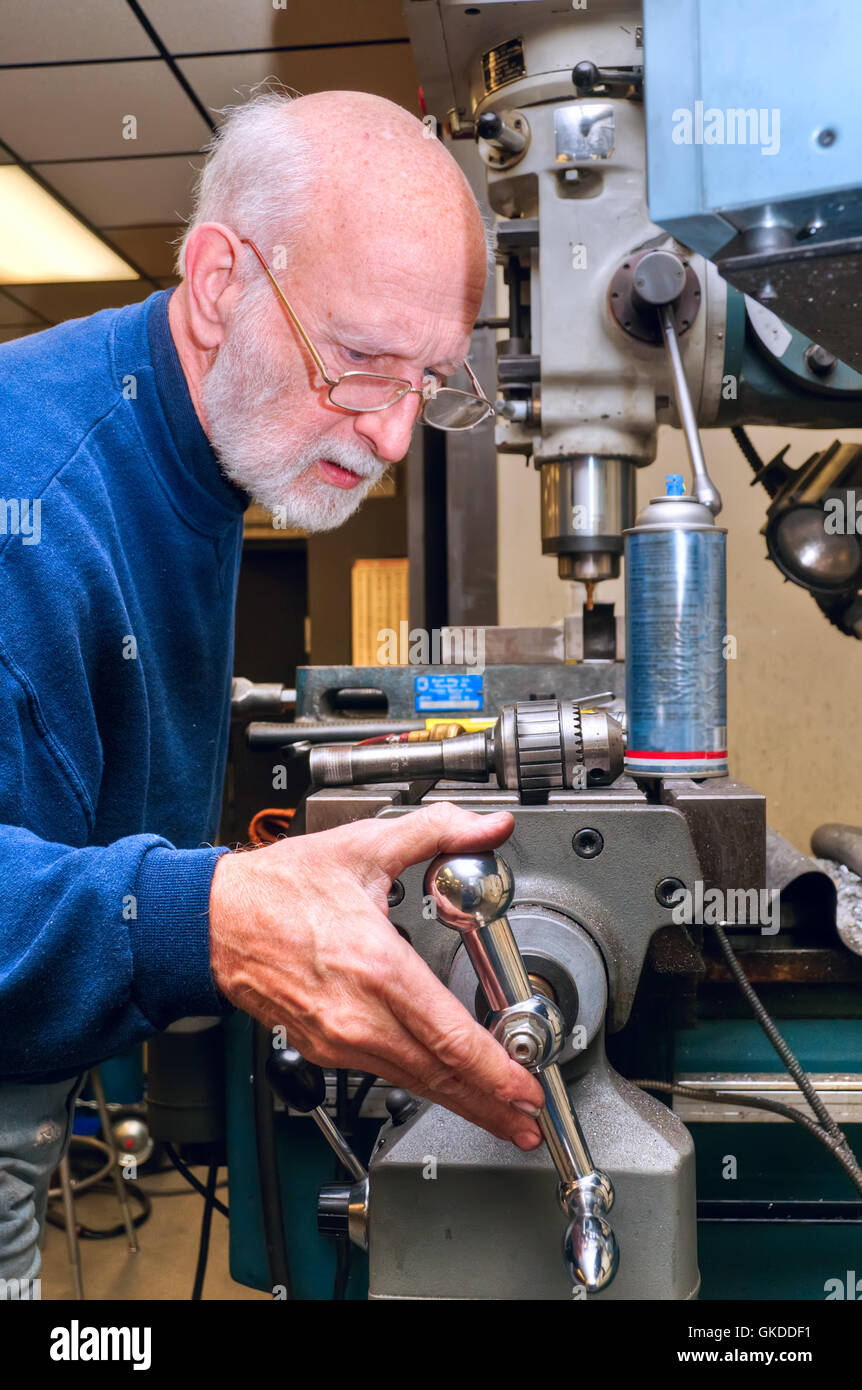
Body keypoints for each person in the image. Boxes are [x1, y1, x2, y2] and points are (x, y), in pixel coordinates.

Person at [0, 89, 543, 1282]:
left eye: (429, 381)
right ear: (216, 281)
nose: (397, 435)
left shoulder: (205, 440)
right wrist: (208, 918)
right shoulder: (27, 495)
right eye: (358, 362)